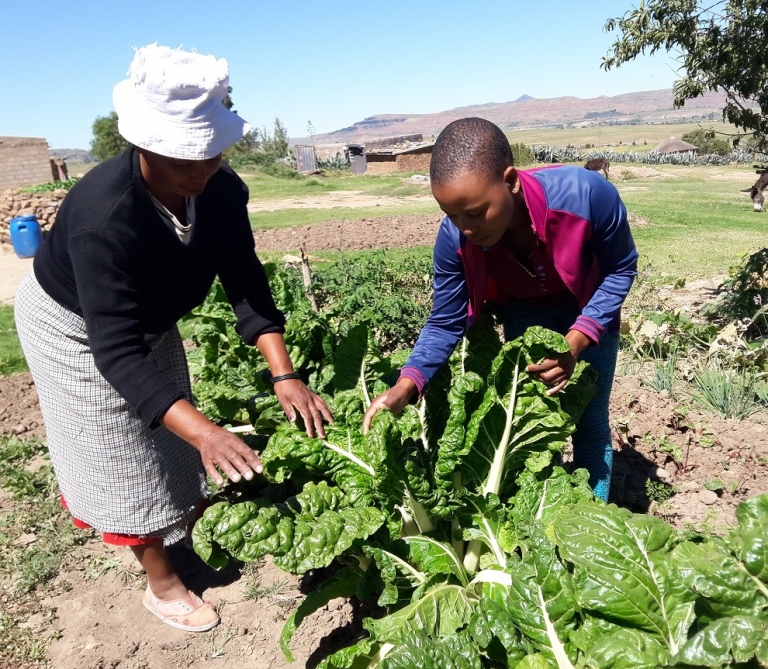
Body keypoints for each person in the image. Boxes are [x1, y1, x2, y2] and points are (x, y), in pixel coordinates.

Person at [15, 44, 332, 632]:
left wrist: (284, 373)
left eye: (213, 153)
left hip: (147, 319)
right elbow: (116, 350)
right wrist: (208, 431)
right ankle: (161, 584)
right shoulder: (103, 217)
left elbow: (244, 278)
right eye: (186, 157)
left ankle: (178, 535)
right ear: (143, 145)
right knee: (119, 453)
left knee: (172, 442)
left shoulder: (221, 190)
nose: (203, 169)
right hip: (73, 327)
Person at [363, 117, 638, 502]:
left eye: (476, 212)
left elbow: (621, 268)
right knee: (532, 422)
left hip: (592, 308)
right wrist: (406, 386)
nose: (466, 228)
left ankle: (594, 515)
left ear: (511, 181)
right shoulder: (455, 239)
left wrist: (577, 341)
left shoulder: (587, 196)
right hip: (525, 310)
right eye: (451, 214)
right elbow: (445, 321)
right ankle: (544, 513)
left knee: (590, 421)